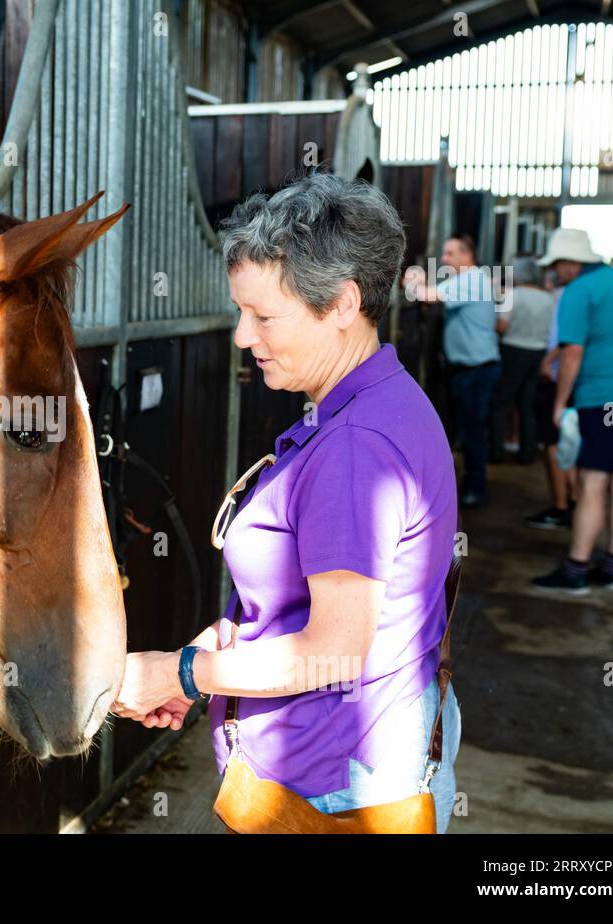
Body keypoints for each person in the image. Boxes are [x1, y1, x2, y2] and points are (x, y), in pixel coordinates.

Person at [113, 173, 462, 834]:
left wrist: (181, 674)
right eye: (242, 312)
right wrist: (210, 661)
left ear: (341, 304)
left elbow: (333, 649)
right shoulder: (368, 404)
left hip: (332, 788)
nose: (243, 336)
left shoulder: (358, 444)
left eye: (264, 315)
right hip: (344, 763)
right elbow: (291, 604)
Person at [533, 229, 613, 594]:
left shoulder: (579, 291)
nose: (555, 272)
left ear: (572, 262)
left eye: (557, 265)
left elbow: (572, 352)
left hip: (606, 401)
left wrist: (560, 402)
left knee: (592, 481)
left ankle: (576, 571)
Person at [404, 234, 499, 508]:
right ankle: (469, 485)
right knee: (468, 430)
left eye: (449, 253)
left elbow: (426, 295)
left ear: (466, 255)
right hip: (470, 368)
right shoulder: (467, 280)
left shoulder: (472, 280)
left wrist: (412, 279)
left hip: (475, 370)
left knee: (472, 433)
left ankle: (475, 489)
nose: (444, 259)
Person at [525, 281, 581, 530]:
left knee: (554, 443)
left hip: (559, 379)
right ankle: (571, 501)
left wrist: (548, 361)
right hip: (570, 379)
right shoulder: (575, 293)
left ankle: (562, 506)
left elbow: (570, 340)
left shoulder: (567, 294)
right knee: (566, 441)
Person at [490, 256, 555, 465]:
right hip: (538, 352)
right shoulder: (549, 298)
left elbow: (501, 326)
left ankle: (496, 451)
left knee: (501, 403)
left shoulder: (513, 295)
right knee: (527, 405)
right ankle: (527, 454)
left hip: (513, 350)